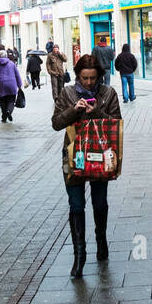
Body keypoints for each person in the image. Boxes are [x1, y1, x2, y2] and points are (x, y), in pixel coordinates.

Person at [52, 53, 122, 277]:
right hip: (74, 157)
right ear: (77, 76)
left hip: (100, 156)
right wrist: (75, 110)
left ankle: (101, 240)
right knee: (76, 205)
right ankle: (79, 256)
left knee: (100, 203)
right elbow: (56, 123)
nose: (89, 82)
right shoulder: (68, 93)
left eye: (92, 78)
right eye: (84, 78)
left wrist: (97, 113)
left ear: (99, 76)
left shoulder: (108, 93)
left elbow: (116, 123)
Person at [0, 48, 23, 121]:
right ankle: (9, 111)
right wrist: (20, 85)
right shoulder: (12, 63)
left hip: (1, 85)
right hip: (11, 84)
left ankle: (4, 116)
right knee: (11, 100)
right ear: (6, 56)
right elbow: (17, 75)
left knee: (2, 101)